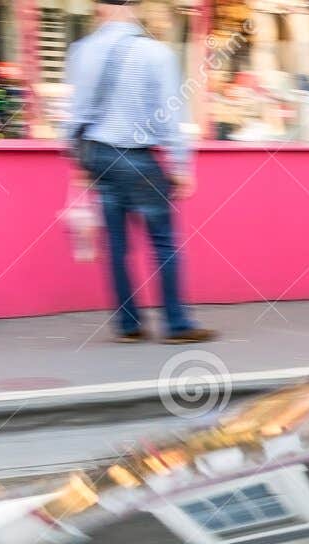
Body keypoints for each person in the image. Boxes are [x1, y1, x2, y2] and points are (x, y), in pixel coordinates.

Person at [66, 0, 215, 343]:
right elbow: (170, 115)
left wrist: (77, 162)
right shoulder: (156, 54)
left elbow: (74, 117)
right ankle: (177, 323)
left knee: (116, 245)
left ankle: (128, 324)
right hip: (138, 160)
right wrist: (180, 165)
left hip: (99, 155)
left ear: (99, 8)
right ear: (131, 7)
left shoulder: (82, 51)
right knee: (163, 242)